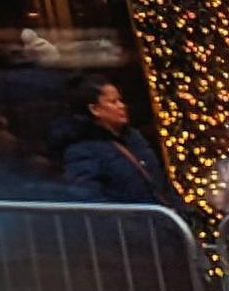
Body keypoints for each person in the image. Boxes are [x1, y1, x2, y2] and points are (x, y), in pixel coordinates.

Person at [57, 74, 169, 205]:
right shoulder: (82, 150)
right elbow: (89, 199)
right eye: (113, 102)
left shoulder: (134, 138)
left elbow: (161, 184)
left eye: (120, 101)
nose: (122, 106)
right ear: (94, 109)